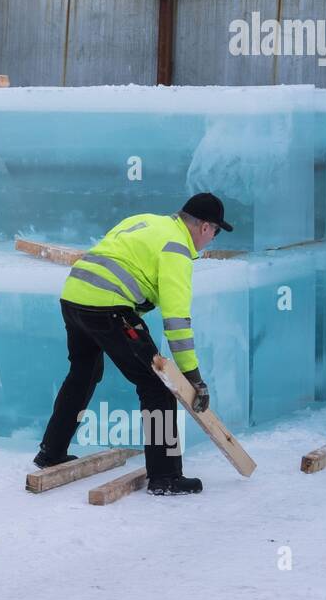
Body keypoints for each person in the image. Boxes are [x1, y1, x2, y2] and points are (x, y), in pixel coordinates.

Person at [34, 193, 230, 495]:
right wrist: (192, 377)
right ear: (205, 227)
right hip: (108, 306)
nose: (212, 239)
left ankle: (51, 452)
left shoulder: (147, 221)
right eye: (216, 232)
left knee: (83, 372)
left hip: (74, 296)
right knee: (158, 383)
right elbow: (176, 322)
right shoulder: (177, 248)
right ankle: (165, 477)